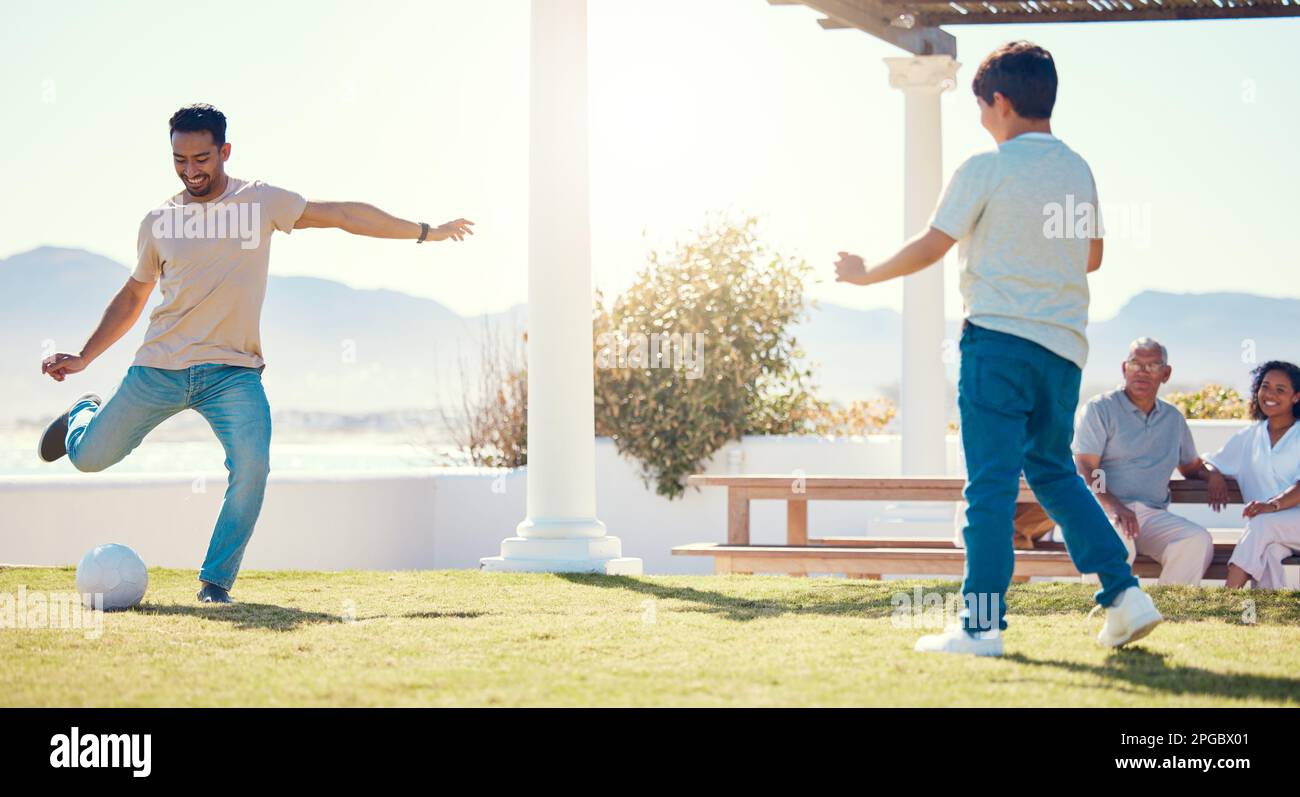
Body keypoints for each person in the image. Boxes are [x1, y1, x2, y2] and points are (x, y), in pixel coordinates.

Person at [37, 104, 475, 604]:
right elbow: (135, 295)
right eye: (179, 159)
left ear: (224, 151)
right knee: (89, 459)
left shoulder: (260, 201)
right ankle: (82, 414)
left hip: (233, 372)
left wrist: (425, 231)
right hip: (159, 367)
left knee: (252, 468)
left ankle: (214, 583)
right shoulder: (158, 221)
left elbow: (345, 216)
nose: (190, 169)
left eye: (201, 157)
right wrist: (85, 357)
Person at [834, 41, 1160, 656]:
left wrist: (863, 273)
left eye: (982, 107)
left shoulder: (986, 167)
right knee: (1054, 473)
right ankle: (1124, 596)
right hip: (1062, 352)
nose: (982, 119)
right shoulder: (1077, 168)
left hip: (999, 345)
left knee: (988, 486)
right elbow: (1091, 256)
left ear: (1001, 102)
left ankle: (980, 627)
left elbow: (932, 246)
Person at [1072, 338, 1213, 585]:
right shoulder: (1099, 409)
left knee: (1195, 540)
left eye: (1153, 366)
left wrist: (1213, 474)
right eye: (1136, 364)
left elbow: (1191, 467)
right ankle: (1111, 611)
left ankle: (1170, 611)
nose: (1142, 372)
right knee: (1114, 542)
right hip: (1104, 511)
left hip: (1151, 515)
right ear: (1124, 369)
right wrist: (1115, 507)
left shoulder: (1173, 418)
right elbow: (1085, 466)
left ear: (1166, 373)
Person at [1183, 361, 1300, 589]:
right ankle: (1265, 618)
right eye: (1265, 387)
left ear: (1296, 397)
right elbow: (1203, 464)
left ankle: (1227, 599)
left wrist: (1272, 506)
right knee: (1268, 553)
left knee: (1261, 525)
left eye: (1280, 390)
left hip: (1282, 523)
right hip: (1271, 532)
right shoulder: (1248, 437)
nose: (1269, 395)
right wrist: (1213, 475)